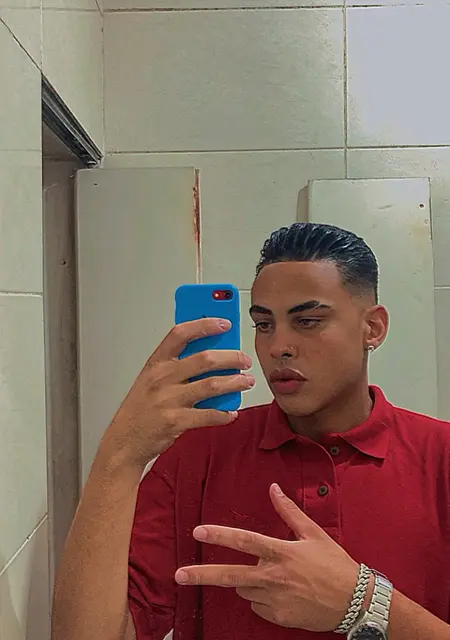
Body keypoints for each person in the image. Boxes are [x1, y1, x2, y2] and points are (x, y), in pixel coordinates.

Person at [51, 223, 450, 640]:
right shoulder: (200, 453)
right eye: (263, 324)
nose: (278, 346)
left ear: (373, 328)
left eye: (307, 320)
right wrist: (121, 453)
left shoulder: (441, 457)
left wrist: (364, 603)